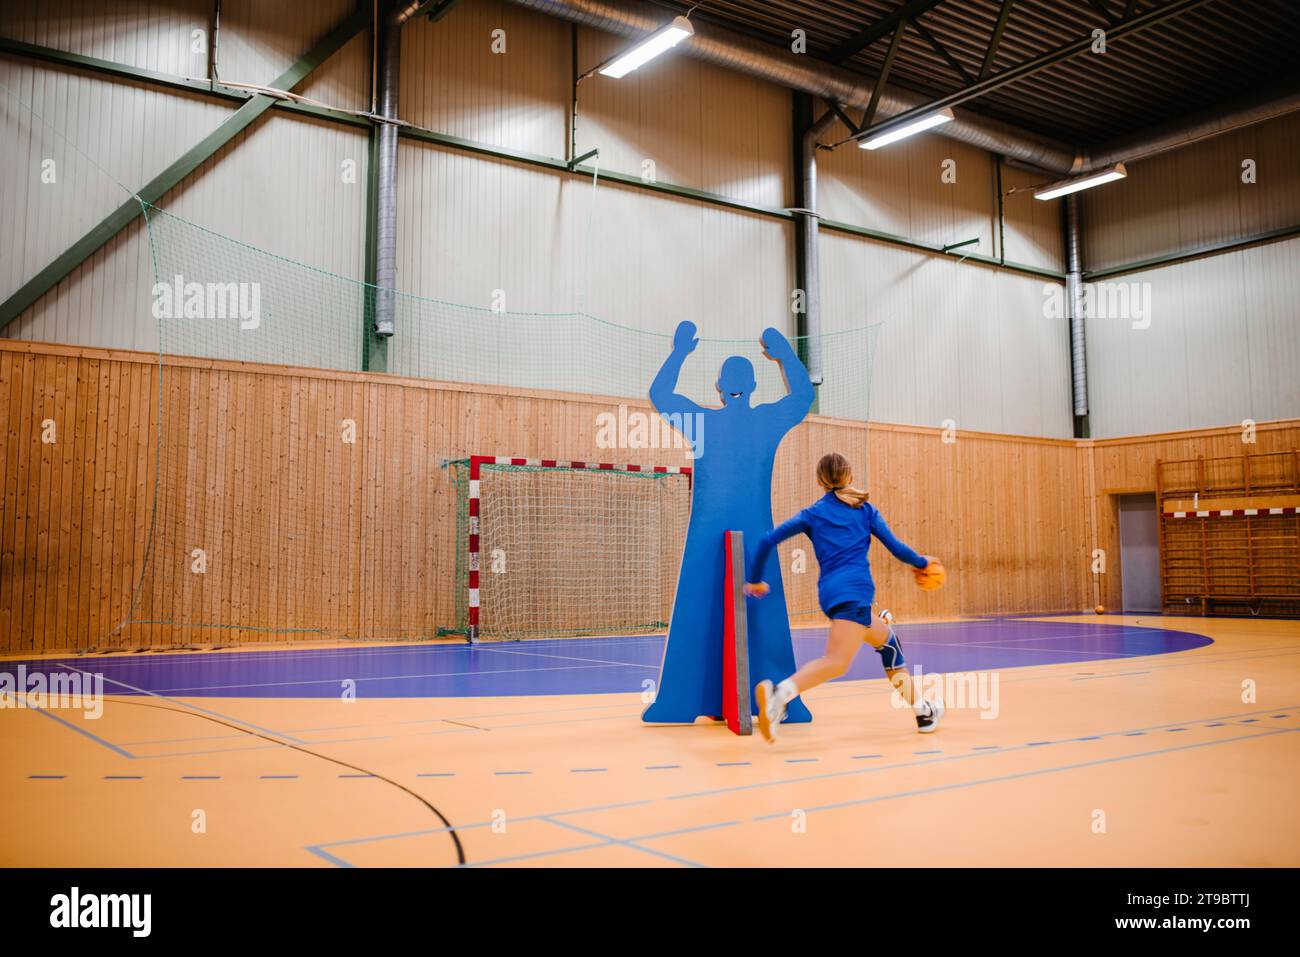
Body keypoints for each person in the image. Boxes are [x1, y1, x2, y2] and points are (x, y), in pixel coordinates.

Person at [643, 320, 814, 725]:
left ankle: (681, 702)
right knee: (763, 609)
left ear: (718, 389)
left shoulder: (703, 422)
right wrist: (782, 355)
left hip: (707, 535)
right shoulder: (767, 421)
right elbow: (804, 395)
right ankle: (779, 701)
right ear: (753, 387)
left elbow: (660, 394)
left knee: (696, 609)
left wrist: (681, 350)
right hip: (757, 535)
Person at [745, 452, 945, 742]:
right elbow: (897, 548)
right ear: (849, 476)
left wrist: (755, 580)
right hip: (854, 593)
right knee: (836, 662)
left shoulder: (812, 514)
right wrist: (923, 563)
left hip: (834, 593)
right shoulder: (865, 510)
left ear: (819, 481)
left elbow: (767, 540)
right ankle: (778, 696)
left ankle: (923, 712)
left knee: (890, 646)